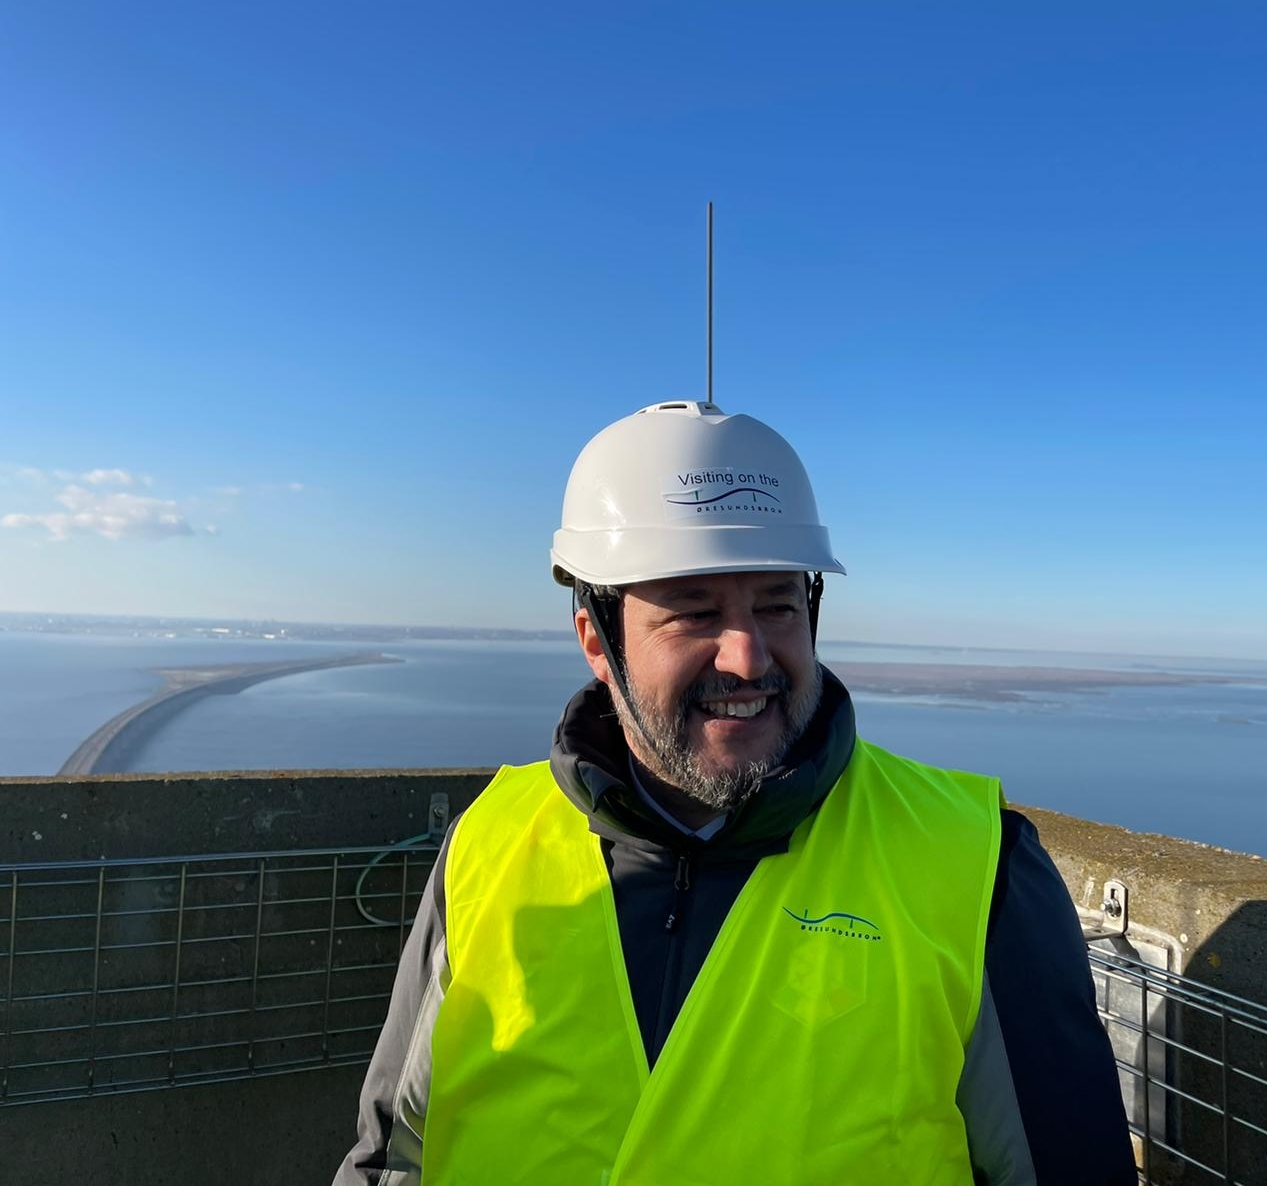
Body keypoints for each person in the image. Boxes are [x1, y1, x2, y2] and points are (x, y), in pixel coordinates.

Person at [335, 400, 1135, 1185]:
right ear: (597, 642)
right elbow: (392, 1155)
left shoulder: (975, 863)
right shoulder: (491, 841)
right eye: (694, 612)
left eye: (777, 604)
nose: (749, 657)